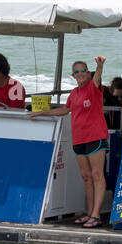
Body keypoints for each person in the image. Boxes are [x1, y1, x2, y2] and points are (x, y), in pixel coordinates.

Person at [30, 56, 109, 228]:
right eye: (76, 72)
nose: (80, 74)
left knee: (97, 175)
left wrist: (100, 65)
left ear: (88, 73)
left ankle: (96, 215)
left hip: (95, 136)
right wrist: (41, 113)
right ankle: (89, 212)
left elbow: (98, 78)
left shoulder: (93, 87)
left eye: (83, 71)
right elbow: (65, 110)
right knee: (86, 177)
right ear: (73, 76)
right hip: (79, 138)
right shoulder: (74, 93)